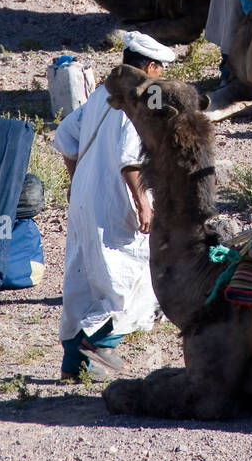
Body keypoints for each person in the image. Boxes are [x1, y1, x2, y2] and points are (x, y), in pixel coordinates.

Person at [53, 30, 175, 381]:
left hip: (84, 201)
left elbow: (65, 136)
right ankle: (100, 340)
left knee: (83, 281)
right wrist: (142, 204)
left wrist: (78, 183)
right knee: (133, 279)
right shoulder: (140, 100)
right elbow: (130, 159)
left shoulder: (101, 96)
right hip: (113, 202)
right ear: (150, 68)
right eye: (160, 70)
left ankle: (74, 367)